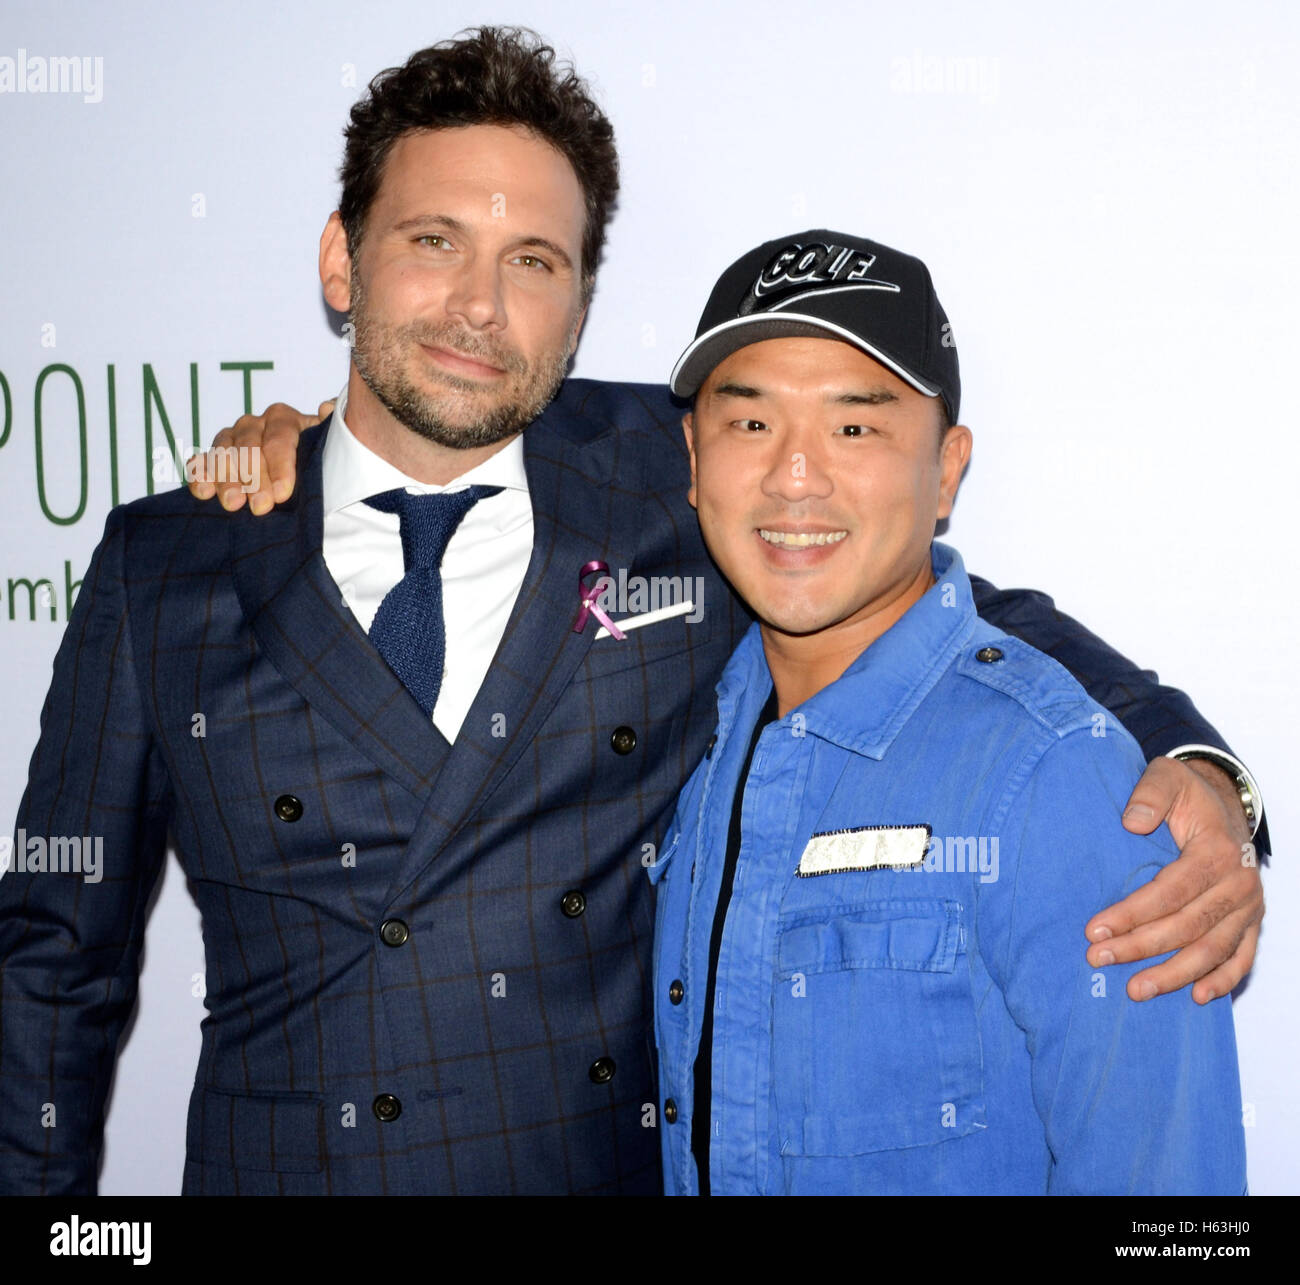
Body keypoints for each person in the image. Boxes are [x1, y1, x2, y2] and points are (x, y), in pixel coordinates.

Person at [0, 29, 1261, 1198]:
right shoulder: (165, 561)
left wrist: (1195, 766)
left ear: (581, 301)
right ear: (342, 259)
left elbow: (941, 597)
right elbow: (56, 962)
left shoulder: (678, 478)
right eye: (434, 240)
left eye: (533, 263)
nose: (479, 307)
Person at [650, 229, 1248, 1195]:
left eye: (855, 426)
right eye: (751, 423)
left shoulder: (1065, 776)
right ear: (691, 452)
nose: (795, 475)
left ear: (948, 470)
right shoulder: (702, 733)